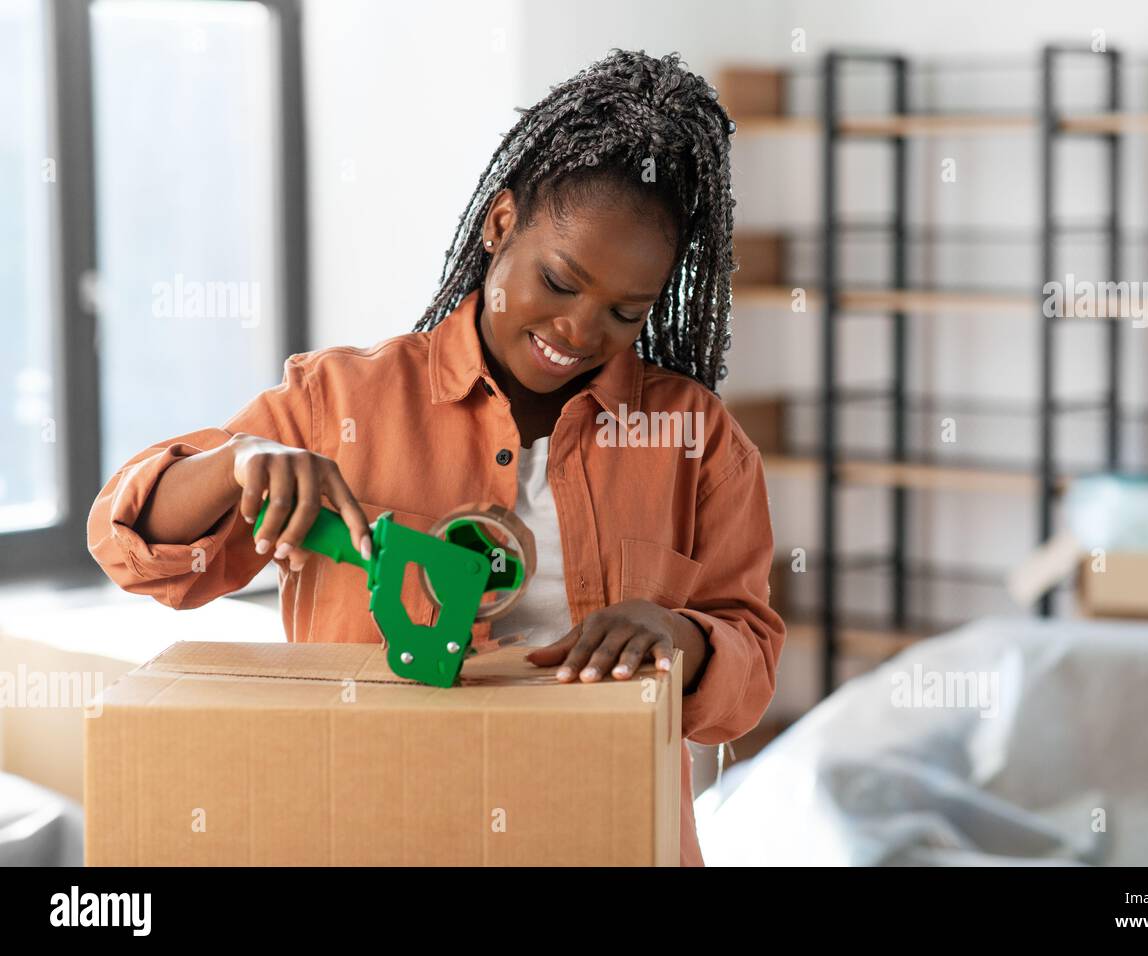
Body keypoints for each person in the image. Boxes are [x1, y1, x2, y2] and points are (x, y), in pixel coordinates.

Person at [87, 48, 785, 867]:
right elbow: (137, 553)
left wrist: (676, 634)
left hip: (605, 834)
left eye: (624, 312)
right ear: (499, 226)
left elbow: (748, 666)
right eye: (559, 283)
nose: (579, 332)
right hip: (376, 830)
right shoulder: (337, 402)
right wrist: (240, 459)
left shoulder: (694, 441)